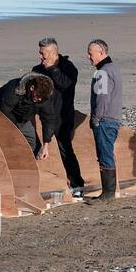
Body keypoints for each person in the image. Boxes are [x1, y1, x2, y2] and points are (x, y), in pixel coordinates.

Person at [31, 37, 84, 197]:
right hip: (43, 116)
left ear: (54, 53)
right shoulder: (37, 69)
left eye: (43, 54)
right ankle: (39, 185)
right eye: (40, 53)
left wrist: (53, 68)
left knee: (66, 151)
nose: (41, 57)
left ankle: (77, 186)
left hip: (63, 116)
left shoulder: (69, 67)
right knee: (37, 149)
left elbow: (66, 85)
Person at [87, 39, 123, 203]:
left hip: (105, 120)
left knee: (105, 155)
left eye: (90, 53)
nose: (88, 57)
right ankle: (108, 191)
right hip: (113, 118)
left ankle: (108, 193)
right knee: (107, 154)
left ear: (101, 52)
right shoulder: (113, 68)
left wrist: (96, 119)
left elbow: (102, 98)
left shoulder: (102, 72)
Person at [0, 73, 60, 162]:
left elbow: (48, 118)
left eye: (42, 97)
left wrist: (46, 145)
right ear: (32, 88)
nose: (40, 99)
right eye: (38, 95)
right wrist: (14, 132)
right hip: (4, 117)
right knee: (9, 142)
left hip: (23, 119)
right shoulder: (13, 90)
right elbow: (3, 112)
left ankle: (26, 166)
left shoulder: (44, 96)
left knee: (32, 145)